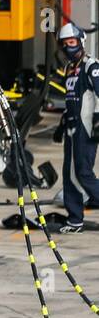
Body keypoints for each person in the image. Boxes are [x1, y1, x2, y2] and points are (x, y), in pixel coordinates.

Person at [54, 22, 99, 234]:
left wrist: (98, 119)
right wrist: (62, 122)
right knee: (69, 174)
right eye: (64, 44)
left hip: (87, 126)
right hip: (72, 126)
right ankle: (74, 219)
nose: (68, 47)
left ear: (80, 41)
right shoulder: (69, 69)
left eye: (71, 42)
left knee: (83, 172)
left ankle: (77, 215)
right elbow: (70, 98)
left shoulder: (91, 65)